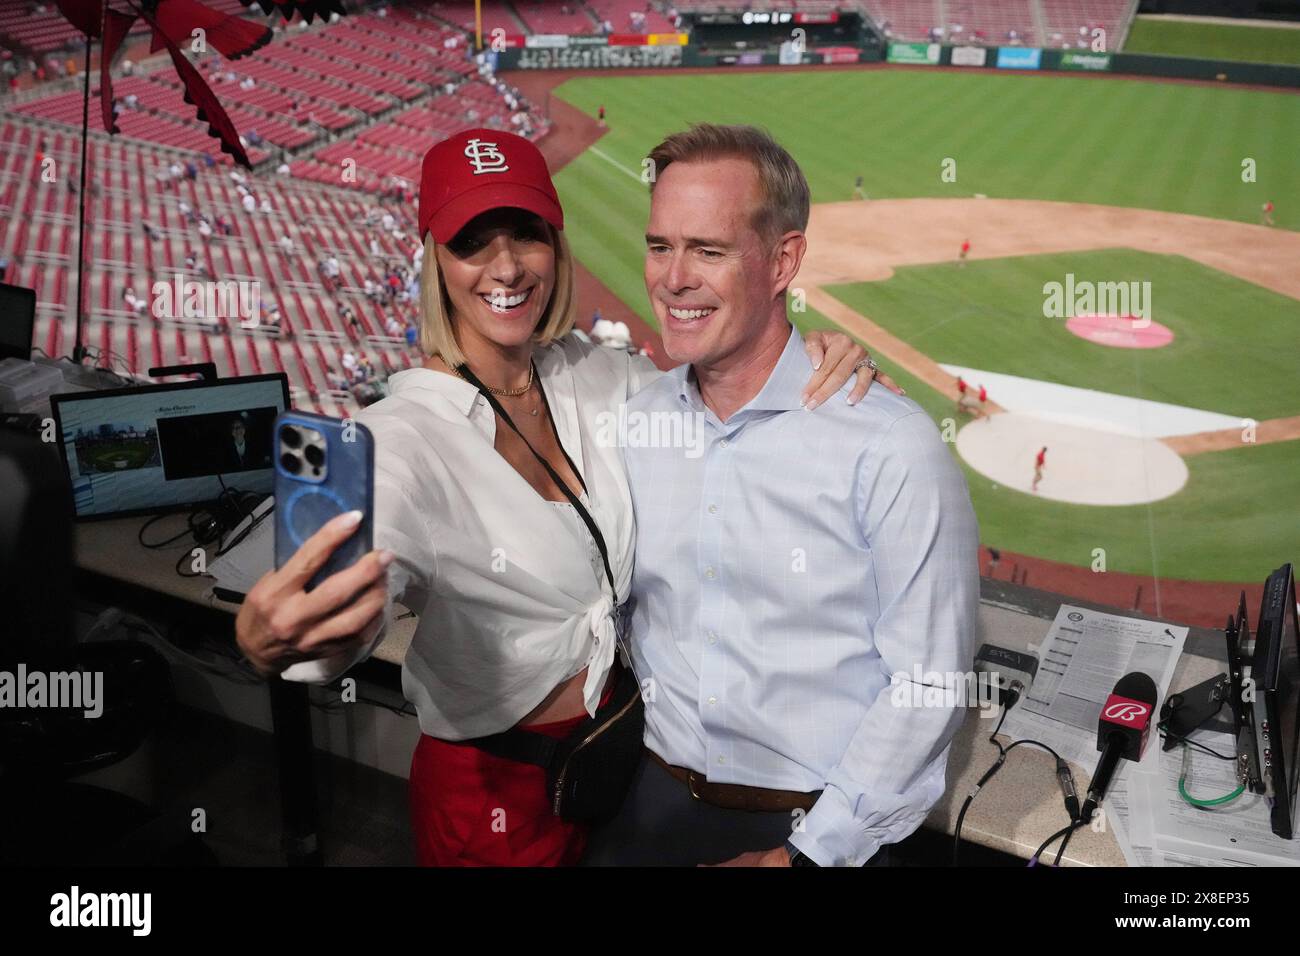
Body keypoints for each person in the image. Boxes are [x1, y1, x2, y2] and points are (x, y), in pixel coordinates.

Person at [234, 128, 890, 867]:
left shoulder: (601, 373)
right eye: (472, 241)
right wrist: (285, 643)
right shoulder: (396, 439)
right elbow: (359, 583)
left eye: (527, 235)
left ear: (557, 246)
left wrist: (816, 354)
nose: (507, 265)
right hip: (491, 795)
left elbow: (725, 385)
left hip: (620, 764)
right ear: (434, 262)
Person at [581, 124, 978, 867]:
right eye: (660, 245)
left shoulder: (888, 444)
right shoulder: (635, 423)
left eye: (708, 250)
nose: (672, 278)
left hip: (820, 829)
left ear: (783, 260)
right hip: (649, 803)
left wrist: (807, 857)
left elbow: (930, 682)